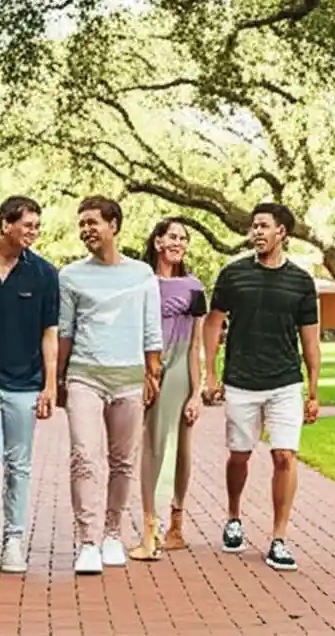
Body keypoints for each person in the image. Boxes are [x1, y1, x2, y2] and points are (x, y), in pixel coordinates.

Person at [203, 202, 321, 572]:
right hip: (241, 380)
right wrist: (210, 373)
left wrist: (314, 390)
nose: (256, 232)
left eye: (263, 226)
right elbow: (212, 323)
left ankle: (279, 538)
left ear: (282, 232)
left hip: (285, 381)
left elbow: (311, 340)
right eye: (253, 227)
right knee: (240, 455)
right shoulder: (233, 275)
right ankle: (234, 517)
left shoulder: (302, 281)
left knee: (284, 455)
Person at [57, 195, 163, 575]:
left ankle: (113, 533)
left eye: (93, 222)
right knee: (84, 455)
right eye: (82, 223)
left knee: (123, 461)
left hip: (129, 378)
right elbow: (65, 332)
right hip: (85, 374)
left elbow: (152, 330)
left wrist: (153, 374)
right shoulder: (69, 276)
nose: (86, 229)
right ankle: (88, 540)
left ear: (113, 225)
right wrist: (58, 378)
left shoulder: (142, 275)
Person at [0, 196, 60, 574]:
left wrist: (50, 386)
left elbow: (49, 333)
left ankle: (14, 539)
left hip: (26, 384)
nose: (33, 232)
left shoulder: (44, 274)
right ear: (5, 223)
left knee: (19, 464)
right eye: (27, 225)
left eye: (37, 226)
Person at [129, 218, 207, 560]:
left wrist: (196, 390)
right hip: (143, 367)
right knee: (152, 444)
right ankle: (151, 525)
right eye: (172, 236)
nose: (178, 242)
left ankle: (172, 523)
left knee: (177, 443)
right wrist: (146, 372)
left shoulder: (194, 287)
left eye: (183, 238)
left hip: (178, 369)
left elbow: (195, 345)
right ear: (157, 241)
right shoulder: (139, 281)